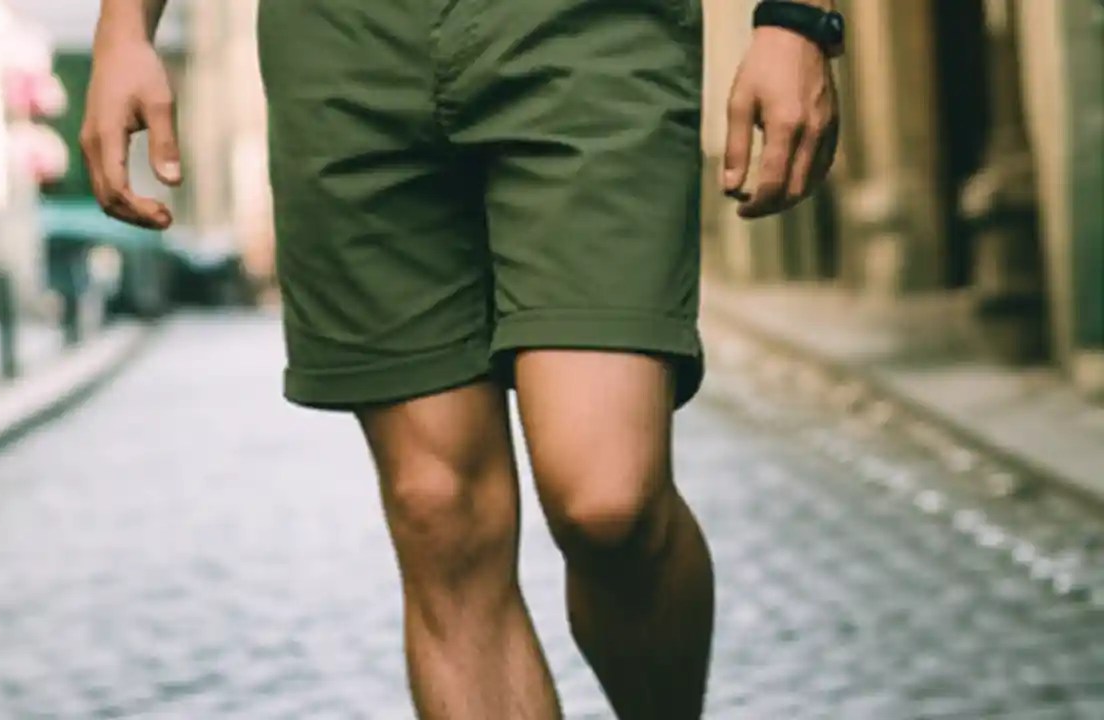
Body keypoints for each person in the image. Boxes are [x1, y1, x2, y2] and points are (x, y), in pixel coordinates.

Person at [83, 0, 841, 716]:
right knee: (440, 514)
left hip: (585, 29)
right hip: (341, 45)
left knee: (608, 501)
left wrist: (795, 18)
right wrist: (124, 30)